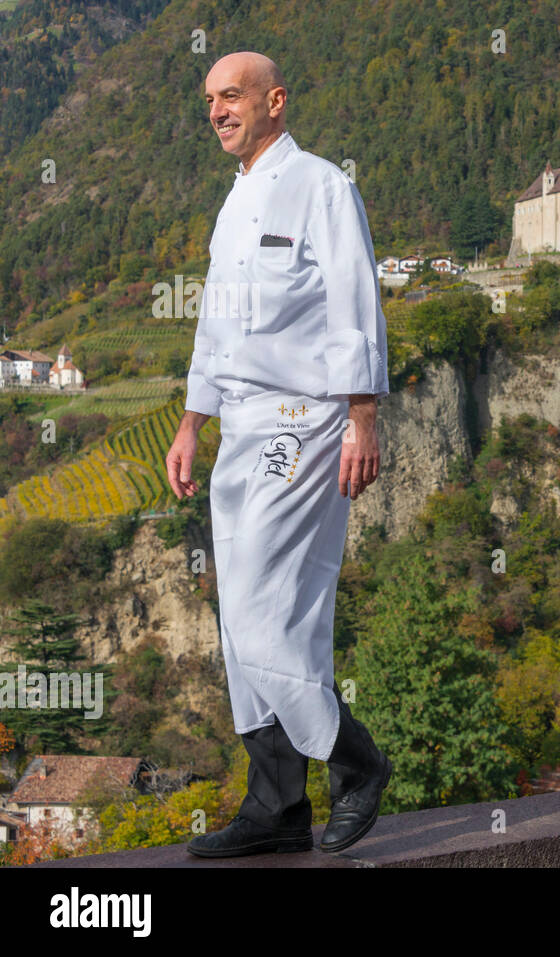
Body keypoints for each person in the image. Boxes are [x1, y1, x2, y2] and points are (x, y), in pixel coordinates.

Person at [166, 51, 392, 856]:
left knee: (265, 609)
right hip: (242, 426)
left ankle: (356, 761)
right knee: (243, 620)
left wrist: (362, 415)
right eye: (210, 99)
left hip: (305, 421)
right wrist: (194, 421)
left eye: (232, 95)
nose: (218, 110)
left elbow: (354, 301)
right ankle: (277, 806)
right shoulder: (232, 206)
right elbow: (214, 328)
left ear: (275, 101)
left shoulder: (322, 186)